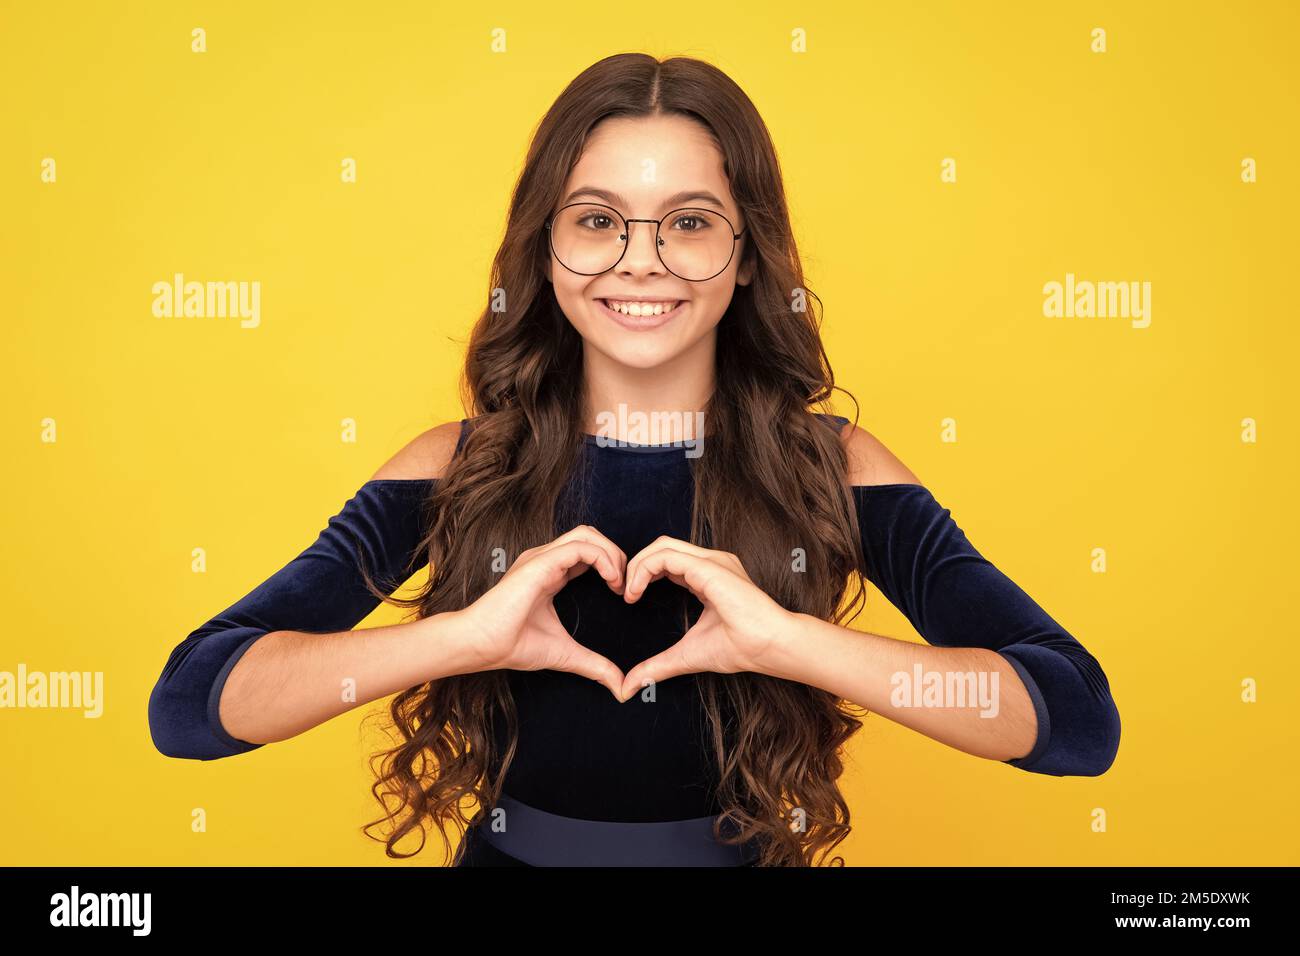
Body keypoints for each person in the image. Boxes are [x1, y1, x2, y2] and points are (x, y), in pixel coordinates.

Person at [147, 53, 1121, 867]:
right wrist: (464, 637)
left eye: (689, 221)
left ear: (746, 255)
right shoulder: (455, 466)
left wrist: (785, 641)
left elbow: (1073, 721)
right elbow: (193, 704)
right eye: (598, 219)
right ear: (548, 245)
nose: (640, 259)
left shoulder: (835, 467)